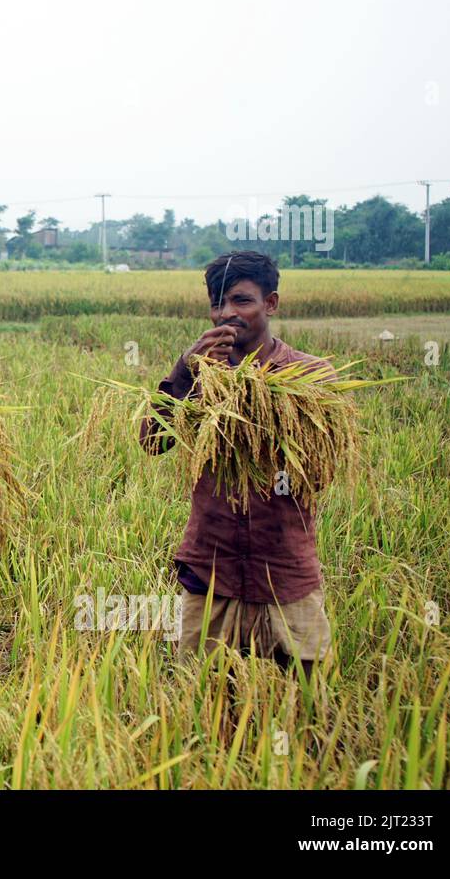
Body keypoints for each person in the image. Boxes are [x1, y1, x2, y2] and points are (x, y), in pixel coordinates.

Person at [141, 251, 334, 677]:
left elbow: (322, 473)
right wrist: (186, 370)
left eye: (242, 301)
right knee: (201, 700)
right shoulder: (199, 377)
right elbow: (152, 442)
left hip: (285, 571)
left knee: (304, 703)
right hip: (212, 568)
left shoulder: (309, 377)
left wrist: (266, 424)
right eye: (218, 303)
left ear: (271, 303)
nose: (227, 314)